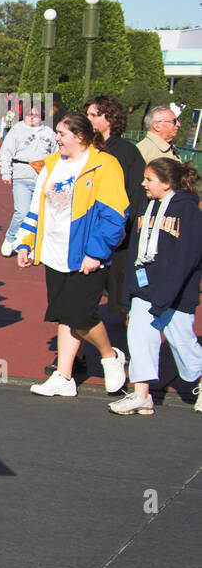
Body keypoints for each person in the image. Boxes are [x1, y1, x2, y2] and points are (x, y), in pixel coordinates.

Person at [17, 112, 129, 397]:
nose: (57, 138)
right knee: (64, 315)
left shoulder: (104, 165)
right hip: (54, 252)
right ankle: (64, 376)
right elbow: (36, 209)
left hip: (85, 255)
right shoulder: (52, 165)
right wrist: (26, 243)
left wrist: (96, 252)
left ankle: (110, 356)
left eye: (62, 133)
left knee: (81, 316)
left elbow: (115, 215)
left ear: (80, 137)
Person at [109, 159, 202, 415]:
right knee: (140, 339)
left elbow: (188, 257)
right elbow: (135, 251)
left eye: (149, 179)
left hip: (176, 293)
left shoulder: (188, 210)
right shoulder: (146, 206)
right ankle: (141, 395)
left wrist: (166, 295)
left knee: (183, 344)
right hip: (145, 289)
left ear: (167, 182)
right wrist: (129, 290)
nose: (143, 184)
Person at [86, 94, 145, 325]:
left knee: (123, 298)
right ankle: (75, 356)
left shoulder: (128, 152)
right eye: (87, 114)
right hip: (87, 231)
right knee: (81, 298)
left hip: (118, 236)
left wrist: (125, 230)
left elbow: (136, 194)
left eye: (94, 115)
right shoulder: (85, 148)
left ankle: (132, 349)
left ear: (109, 119)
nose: (88, 119)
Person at [0, 107, 58, 255]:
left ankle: (27, 243)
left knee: (37, 213)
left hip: (41, 178)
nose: (32, 118)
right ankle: (10, 238)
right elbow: (6, 153)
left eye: (35, 115)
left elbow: (57, 154)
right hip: (21, 176)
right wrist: (6, 172)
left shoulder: (49, 133)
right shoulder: (16, 131)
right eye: (29, 115)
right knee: (22, 211)